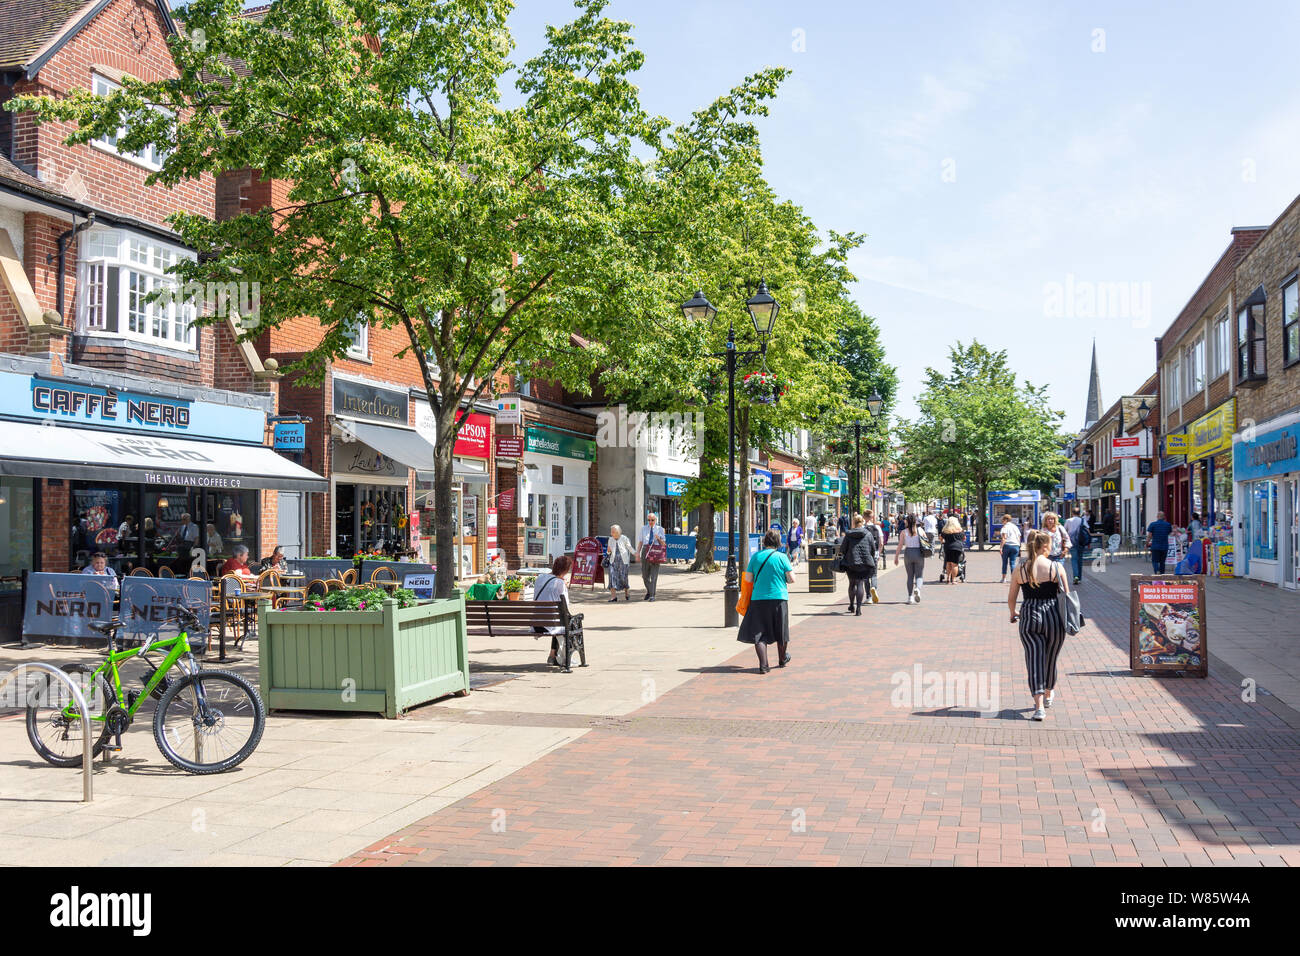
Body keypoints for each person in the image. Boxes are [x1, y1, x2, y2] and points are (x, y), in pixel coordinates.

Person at [1007, 529, 1069, 721]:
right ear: (1044, 547)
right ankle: (1049, 693)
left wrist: (1013, 613)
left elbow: (1011, 599)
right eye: (1050, 545)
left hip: (1029, 615)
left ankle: (1039, 706)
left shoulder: (1020, 569)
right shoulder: (1056, 567)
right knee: (1050, 659)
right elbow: (1066, 596)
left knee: (1034, 660)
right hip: (1053, 617)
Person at [737, 529, 795, 674]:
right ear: (778, 542)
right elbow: (792, 579)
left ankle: (763, 665)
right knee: (781, 631)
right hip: (779, 598)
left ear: (764, 542)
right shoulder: (782, 557)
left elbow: (748, 579)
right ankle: (782, 658)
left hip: (758, 599)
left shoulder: (756, 557)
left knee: (759, 633)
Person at [532, 555, 574, 667]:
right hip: (550, 624)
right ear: (565, 570)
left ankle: (552, 654)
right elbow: (566, 607)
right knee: (566, 621)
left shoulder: (540, 578)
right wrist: (564, 586)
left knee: (558, 621)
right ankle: (559, 656)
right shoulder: (560, 583)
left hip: (536, 623)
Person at [838, 515, 878, 615]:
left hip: (851, 562)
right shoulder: (868, 534)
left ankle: (852, 605)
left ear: (853, 523)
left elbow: (842, 549)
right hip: (864, 562)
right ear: (862, 522)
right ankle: (859, 609)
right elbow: (873, 549)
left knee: (852, 584)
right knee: (860, 584)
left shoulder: (848, 535)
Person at [893, 513, 927, 604]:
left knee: (910, 576)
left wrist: (896, 557)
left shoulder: (904, 532)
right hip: (919, 553)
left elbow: (900, 545)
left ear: (908, 521)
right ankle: (918, 589)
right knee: (919, 575)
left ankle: (910, 597)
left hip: (908, 553)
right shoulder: (920, 530)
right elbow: (926, 542)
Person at [637, 512, 666, 601]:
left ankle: (652, 595)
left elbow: (664, 544)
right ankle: (649, 591)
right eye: (649, 520)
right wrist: (637, 553)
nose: (650, 522)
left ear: (656, 520)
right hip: (646, 550)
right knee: (645, 576)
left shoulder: (660, 529)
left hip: (655, 551)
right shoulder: (643, 529)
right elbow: (641, 542)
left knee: (654, 575)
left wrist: (658, 538)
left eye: (652, 520)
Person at [606, 524, 633, 602]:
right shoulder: (610, 539)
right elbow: (608, 552)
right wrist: (608, 551)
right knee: (612, 578)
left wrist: (636, 553)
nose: (611, 533)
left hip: (623, 562)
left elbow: (629, 547)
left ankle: (627, 591)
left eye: (613, 532)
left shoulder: (624, 538)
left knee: (623, 578)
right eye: (611, 532)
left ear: (618, 532)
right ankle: (613, 597)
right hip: (613, 561)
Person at [1064, 507, 1090, 585]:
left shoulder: (1068, 520)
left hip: (1072, 543)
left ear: (1072, 513)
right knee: (1080, 559)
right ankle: (1079, 578)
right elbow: (1088, 530)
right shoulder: (1082, 520)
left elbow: (1065, 531)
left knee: (1074, 559)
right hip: (1081, 542)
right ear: (1079, 513)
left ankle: (1075, 576)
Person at [941, 516, 965, 584]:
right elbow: (964, 538)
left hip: (947, 547)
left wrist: (943, 541)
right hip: (957, 548)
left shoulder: (945, 531)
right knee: (954, 564)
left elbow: (941, 538)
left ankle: (948, 578)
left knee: (948, 563)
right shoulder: (960, 530)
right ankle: (953, 580)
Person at [998, 513, 1022, 584]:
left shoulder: (1004, 527)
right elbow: (1019, 537)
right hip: (1015, 546)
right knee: (1012, 563)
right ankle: (1013, 579)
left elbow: (1004, 538)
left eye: (1002, 520)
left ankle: (1004, 578)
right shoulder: (1015, 527)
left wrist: (1001, 548)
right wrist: (1019, 546)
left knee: (1004, 562)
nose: (1002, 522)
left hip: (1007, 545)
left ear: (1005, 520)